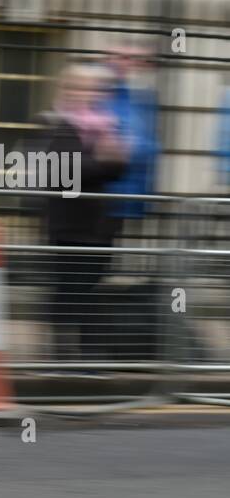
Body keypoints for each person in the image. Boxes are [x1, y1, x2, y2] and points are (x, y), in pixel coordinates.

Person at [30, 62, 130, 367]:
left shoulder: (106, 124)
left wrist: (108, 161)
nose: (89, 93)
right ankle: (65, 357)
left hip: (99, 226)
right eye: (80, 87)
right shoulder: (54, 123)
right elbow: (63, 172)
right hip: (68, 225)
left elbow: (119, 168)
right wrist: (103, 160)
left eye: (94, 88)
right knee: (68, 289)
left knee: (91, 289)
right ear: (67, 89)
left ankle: (89, 358)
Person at [101, 44, 161, 237]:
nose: (132, 64)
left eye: (140, 60)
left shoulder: (143, 94)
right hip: (105, 189)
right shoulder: (106, 91)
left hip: (129, 190)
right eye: (124, 58)